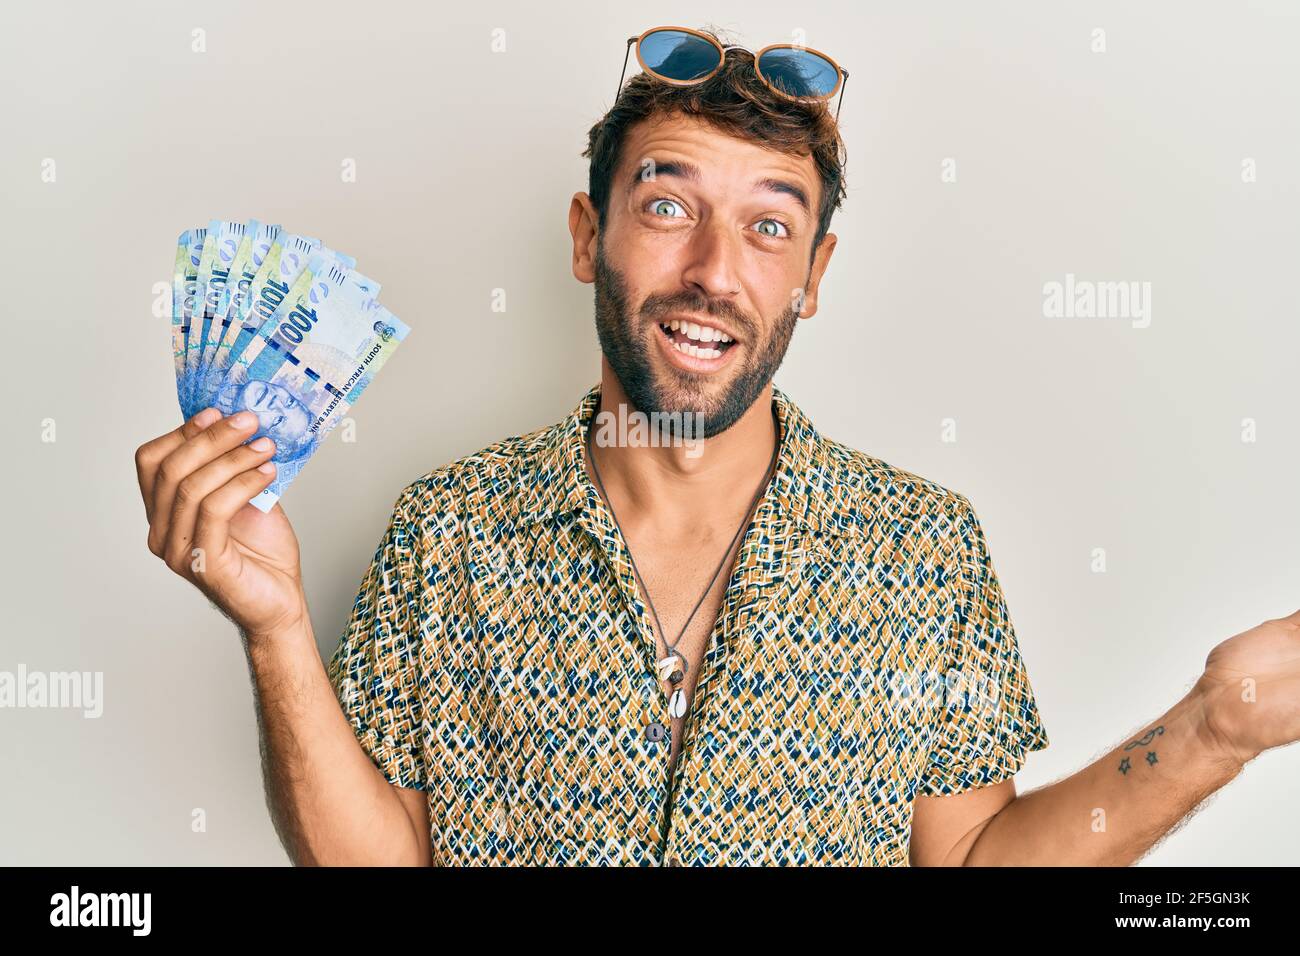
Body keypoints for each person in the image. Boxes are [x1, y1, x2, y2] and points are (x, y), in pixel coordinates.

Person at [133, 26, 1299, 866]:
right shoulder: (445, 530)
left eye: (769, 226)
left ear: (813, 278)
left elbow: (975, 863)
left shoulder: (923, 549)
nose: (713, 272)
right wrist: (276, 628)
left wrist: (1212, 728)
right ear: (589, 235)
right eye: (666, 204)